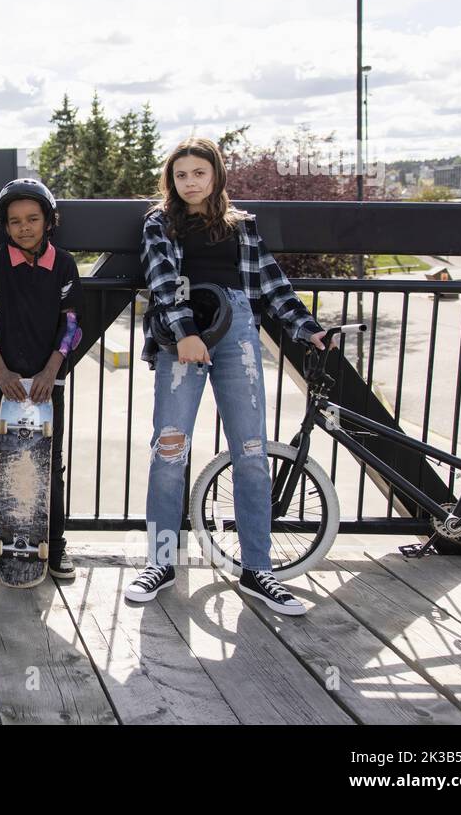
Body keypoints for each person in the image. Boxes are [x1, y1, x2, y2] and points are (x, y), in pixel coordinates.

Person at [125, 136, 325, 616]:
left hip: (236, 333)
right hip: (182, 335)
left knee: (252, 451)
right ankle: (162, 560)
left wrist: (306, 328)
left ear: (216, 175)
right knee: (169, 448)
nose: (190, 182)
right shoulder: (161, 223)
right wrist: (187, 332)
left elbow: (274, 283)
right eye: (181, 175)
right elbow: (163, 280)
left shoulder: (243, 226)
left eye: (199, 172)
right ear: (171, 181)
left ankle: (258, 569)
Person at [0, 178, 81, 579]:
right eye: (15, 221)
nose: (25, 227)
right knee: (14, 461)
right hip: (11, 381)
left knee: (51, 465)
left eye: (33, 218)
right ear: (5, 225)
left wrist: (52, 370)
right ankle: (17, 545)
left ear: (49, 221)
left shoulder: (63, 263)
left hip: (50, 384)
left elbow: (72, 326)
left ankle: (56, 547)